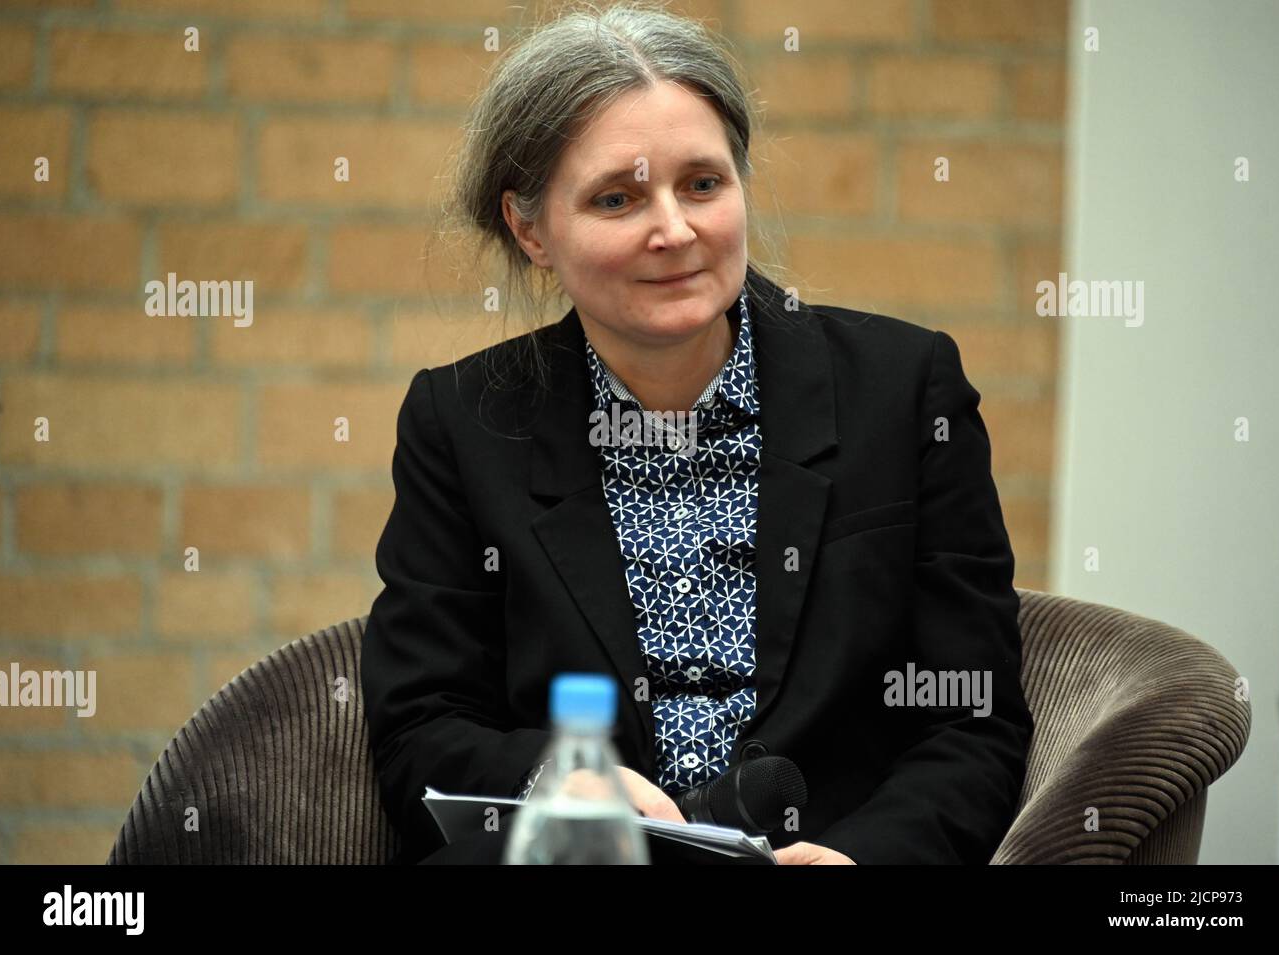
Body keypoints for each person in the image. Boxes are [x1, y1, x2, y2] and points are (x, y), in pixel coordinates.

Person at [360, 1, 1034, 866]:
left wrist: (865, 858)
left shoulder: (904, 390)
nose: (673, 229)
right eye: (618, 196)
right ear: (531, 229)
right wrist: (557, 780)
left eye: (703, 184)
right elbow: (420, 722)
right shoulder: (463, 422)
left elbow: (972, 717)